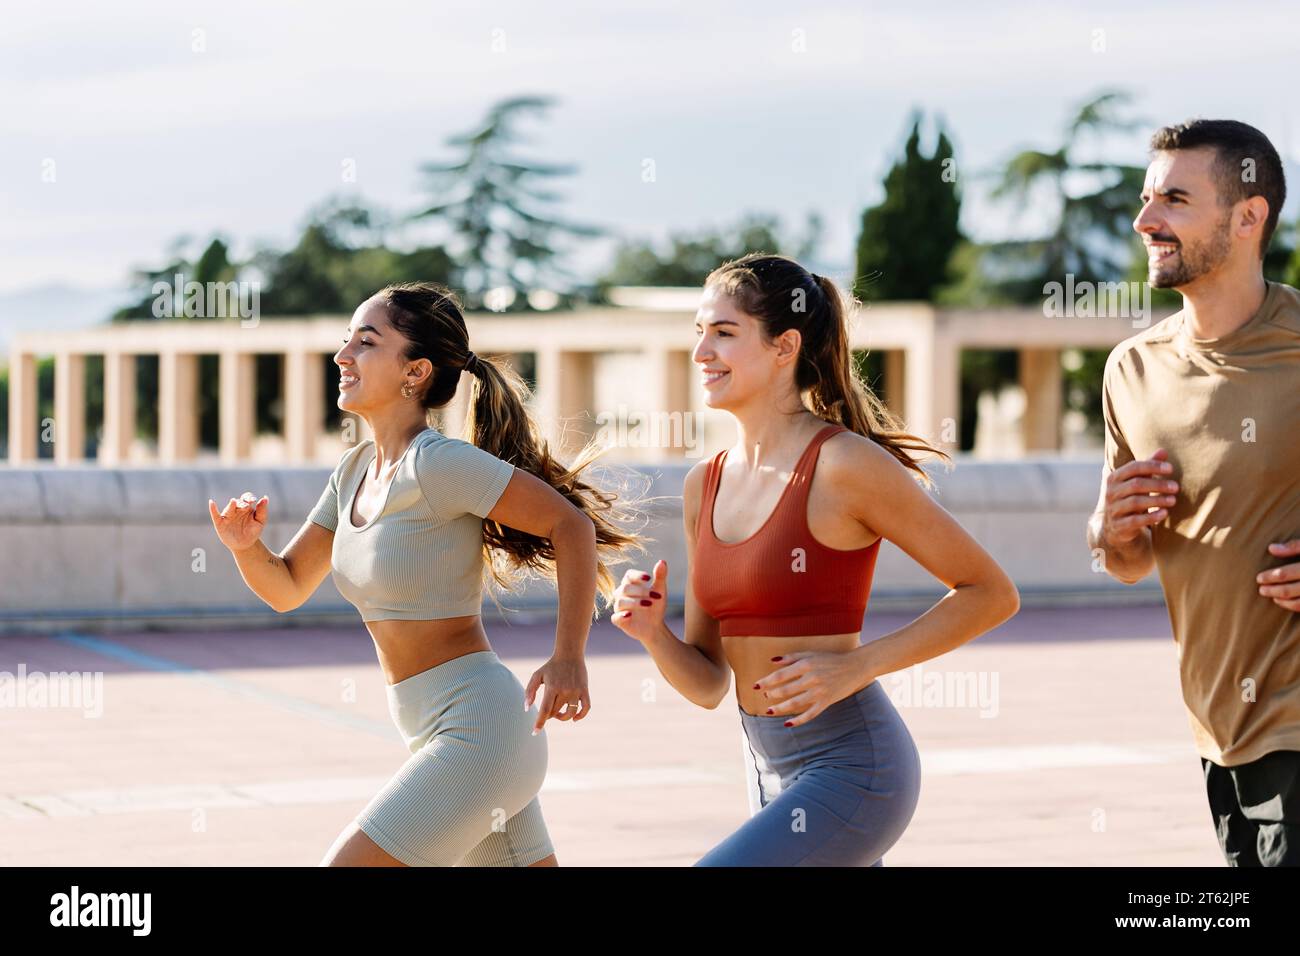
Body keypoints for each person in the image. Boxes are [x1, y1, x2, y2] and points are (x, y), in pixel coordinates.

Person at [209, 281, 643, 866]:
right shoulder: (354, 470)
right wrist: (244, 548)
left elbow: (572, 527)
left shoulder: (438, 463)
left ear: (415, 371)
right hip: (438, 731)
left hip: (479, 730)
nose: (342, 357)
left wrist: (569, 656)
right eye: (346, 342)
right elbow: (286, 587)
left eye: (365, 342)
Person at [611, 253, 1021, 866]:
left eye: (723, 333)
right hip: (765, 768)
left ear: (785, 347)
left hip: (854, 768)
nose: (702, 352)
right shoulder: (707, 483)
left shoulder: (844, 465)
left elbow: (990, 592)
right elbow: (707, 682)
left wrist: (856, 667)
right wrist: (650, 633)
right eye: (699, 332)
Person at [1087, 119, 1300, 866]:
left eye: (1175, 199)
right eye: (1147, 199)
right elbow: (1127, 561)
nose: (1146, 220)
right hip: (1216, 733)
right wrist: (1113, 532)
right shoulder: (1131, 370)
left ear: (1248, 218)